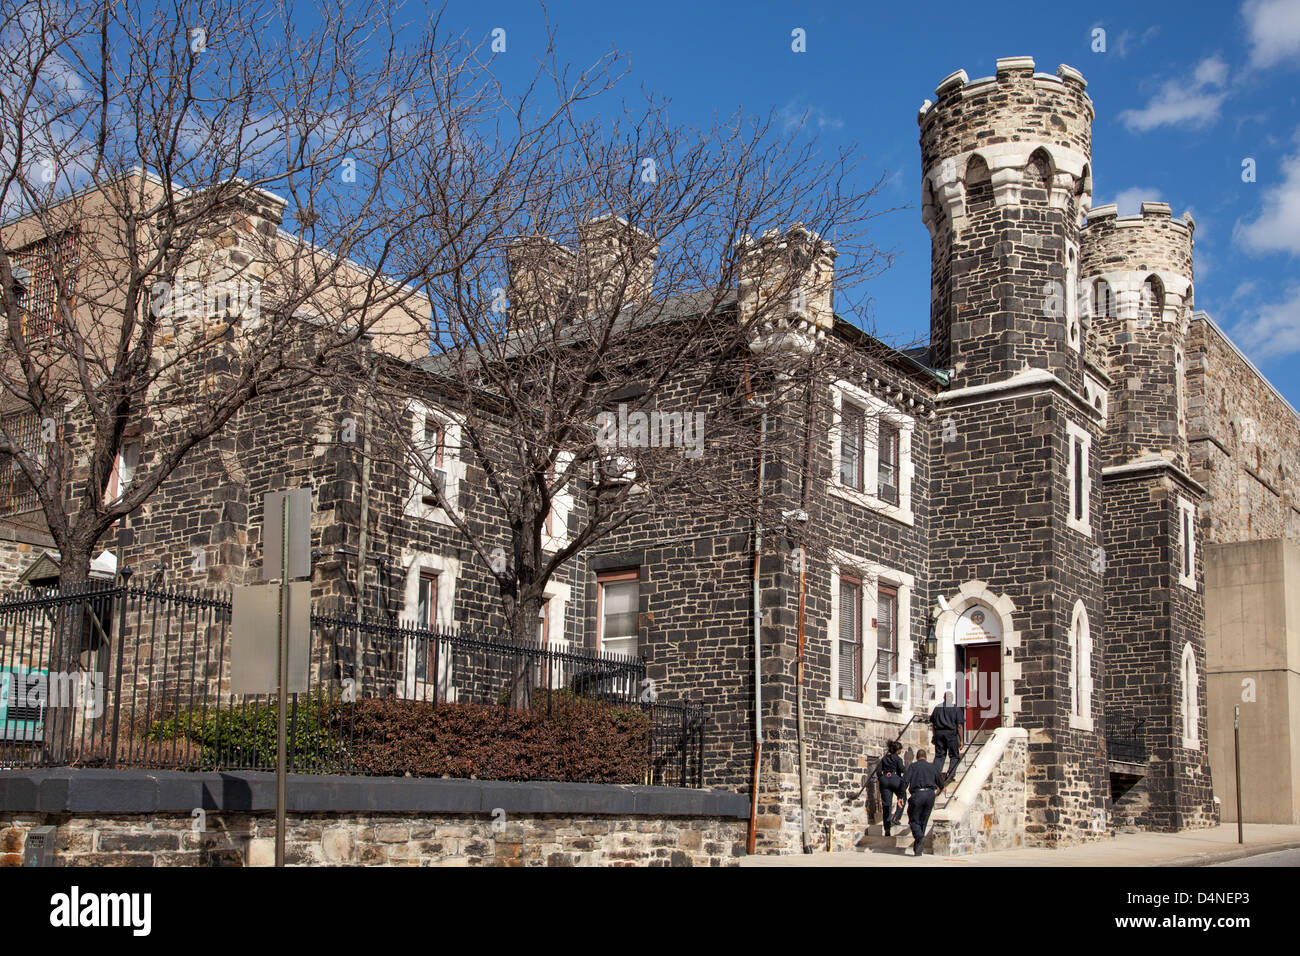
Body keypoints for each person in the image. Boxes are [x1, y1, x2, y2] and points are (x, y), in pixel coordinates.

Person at [902, 747, 943, 857]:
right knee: (923, 821)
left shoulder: (913, 766)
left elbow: (905, 781)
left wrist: (901, 795)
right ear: (926, 757)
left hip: (917, 794)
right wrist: (941, 789)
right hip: (930, 794)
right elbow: (940, 781)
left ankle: (920, 837)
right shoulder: (932, 767)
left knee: (913, 820)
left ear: (917, 757)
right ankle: (918, 849)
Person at [929, 690, 965, 782]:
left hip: (939, 734)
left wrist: (934, 736)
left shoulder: (937, 708)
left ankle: (935, 776)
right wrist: (961, 740)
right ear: (952, 699)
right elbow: (959, 726)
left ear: (944, 698)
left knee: (939, 756)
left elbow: (933, 724)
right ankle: (950, 774)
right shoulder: (956, 709)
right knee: (954, 756)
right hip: (951, 734)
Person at [875, 740, 906, 836]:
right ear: (898, 750)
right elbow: (902, 769)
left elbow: (878, 771)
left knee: (886, 805)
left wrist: (882, 778)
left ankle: (887, 828)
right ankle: (896, 817)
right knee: (902, 797)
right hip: (895, 779)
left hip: (885, 780)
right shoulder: (898, 759)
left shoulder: (884, 758)